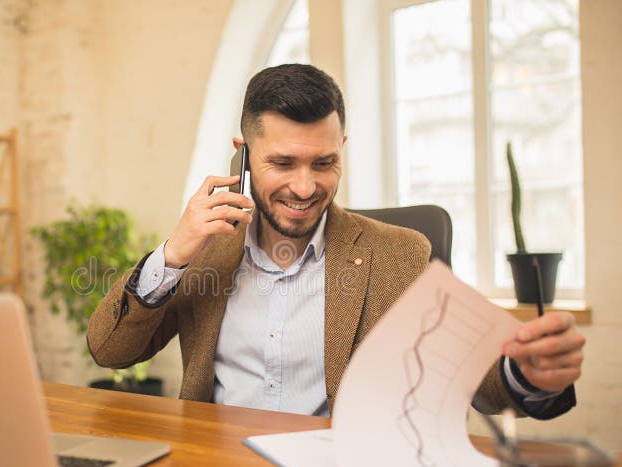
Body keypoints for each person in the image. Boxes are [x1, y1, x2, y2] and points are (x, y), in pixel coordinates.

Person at [87, 64, 583, 419]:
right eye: (282, 163)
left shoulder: (401, 256)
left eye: (323, 163)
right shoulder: (206, 250)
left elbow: (481, 381)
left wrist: (527, 373)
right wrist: (172, 255)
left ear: (341, 149)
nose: (305, 188)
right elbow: (110, 350)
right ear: (241, 154)